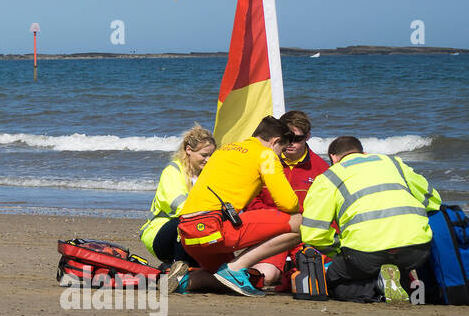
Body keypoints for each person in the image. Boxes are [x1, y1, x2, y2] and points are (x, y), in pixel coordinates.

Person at [172, 115, 303, 296]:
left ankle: (188, 281)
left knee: (231, 280)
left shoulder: (223, 150)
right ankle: (235, 268)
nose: (281, 157)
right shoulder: (265, 155)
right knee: (299, 223)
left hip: (188, 234)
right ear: (275, 141)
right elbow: (288, 204)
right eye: (281, 151)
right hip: (213, 229)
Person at [300, 136, 441, 303]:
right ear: (364, 153)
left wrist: (337, 249)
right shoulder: (394, 163)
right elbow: (433, 200)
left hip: (365, 255)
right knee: (391, 265)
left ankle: (376, 289)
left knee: (333, 279)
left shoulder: (329, 177)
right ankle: (409, 287)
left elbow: (313, 233)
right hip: (416, 251)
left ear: (333, 158)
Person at [246, 110, 331, 289]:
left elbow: (328, 210)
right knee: (264, 277)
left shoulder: (321, 169)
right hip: (270, 233)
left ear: (308, 137)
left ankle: (290, 271)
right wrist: (276, 219)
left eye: (297, 139)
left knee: (318, 275)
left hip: (304, 235)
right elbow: (250, 202)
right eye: (287, 138)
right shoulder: (264, 161)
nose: (291, 143)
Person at [140, 124, 215, 265]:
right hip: (160, 233)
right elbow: (179, 205)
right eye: (204, 155)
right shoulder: (173, 171)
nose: (209, 160)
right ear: (188, 150)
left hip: (195, 228)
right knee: (187, 222)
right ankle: (179, 267)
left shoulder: (209, 175)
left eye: (212, 155)